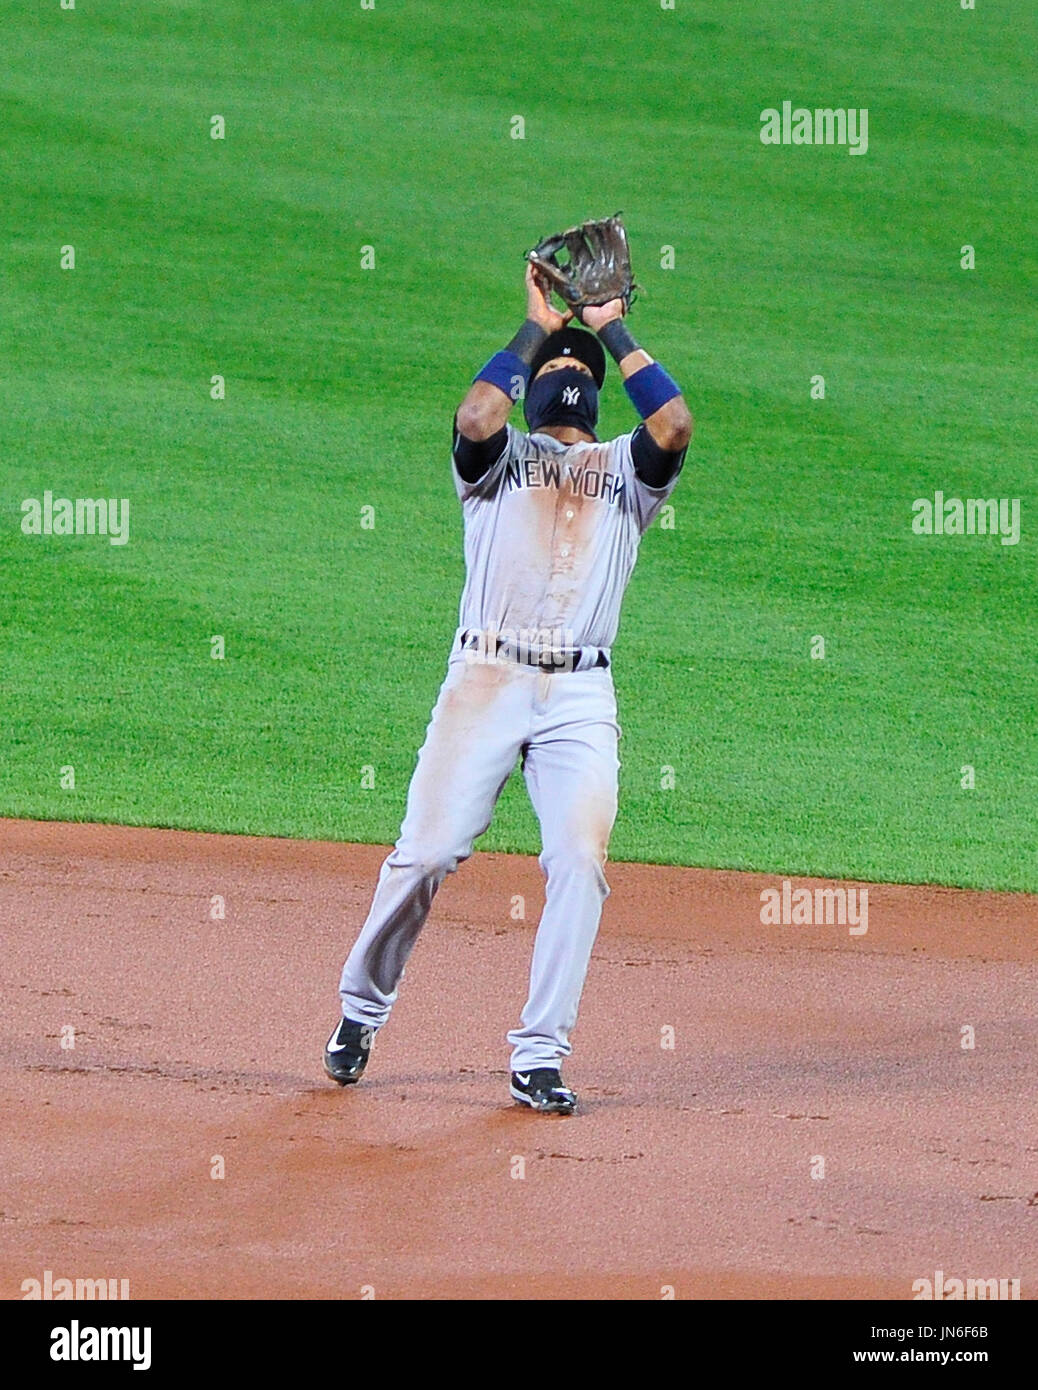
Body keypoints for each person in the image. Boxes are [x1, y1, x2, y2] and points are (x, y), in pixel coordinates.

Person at [325, 262, 692, 1113]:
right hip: (485, 678)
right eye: (553, 372)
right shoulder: (494, 464)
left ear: (597, 390)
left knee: (580, 861)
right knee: (426, 856)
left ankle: (540, 1055)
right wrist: (536, 328)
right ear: (532, 387)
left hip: (580, 698)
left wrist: (605, 327)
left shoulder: (627, 475)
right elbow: (474, 413)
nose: (567, 380)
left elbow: (672, 421)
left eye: (580, 372)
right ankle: (359, 1011)